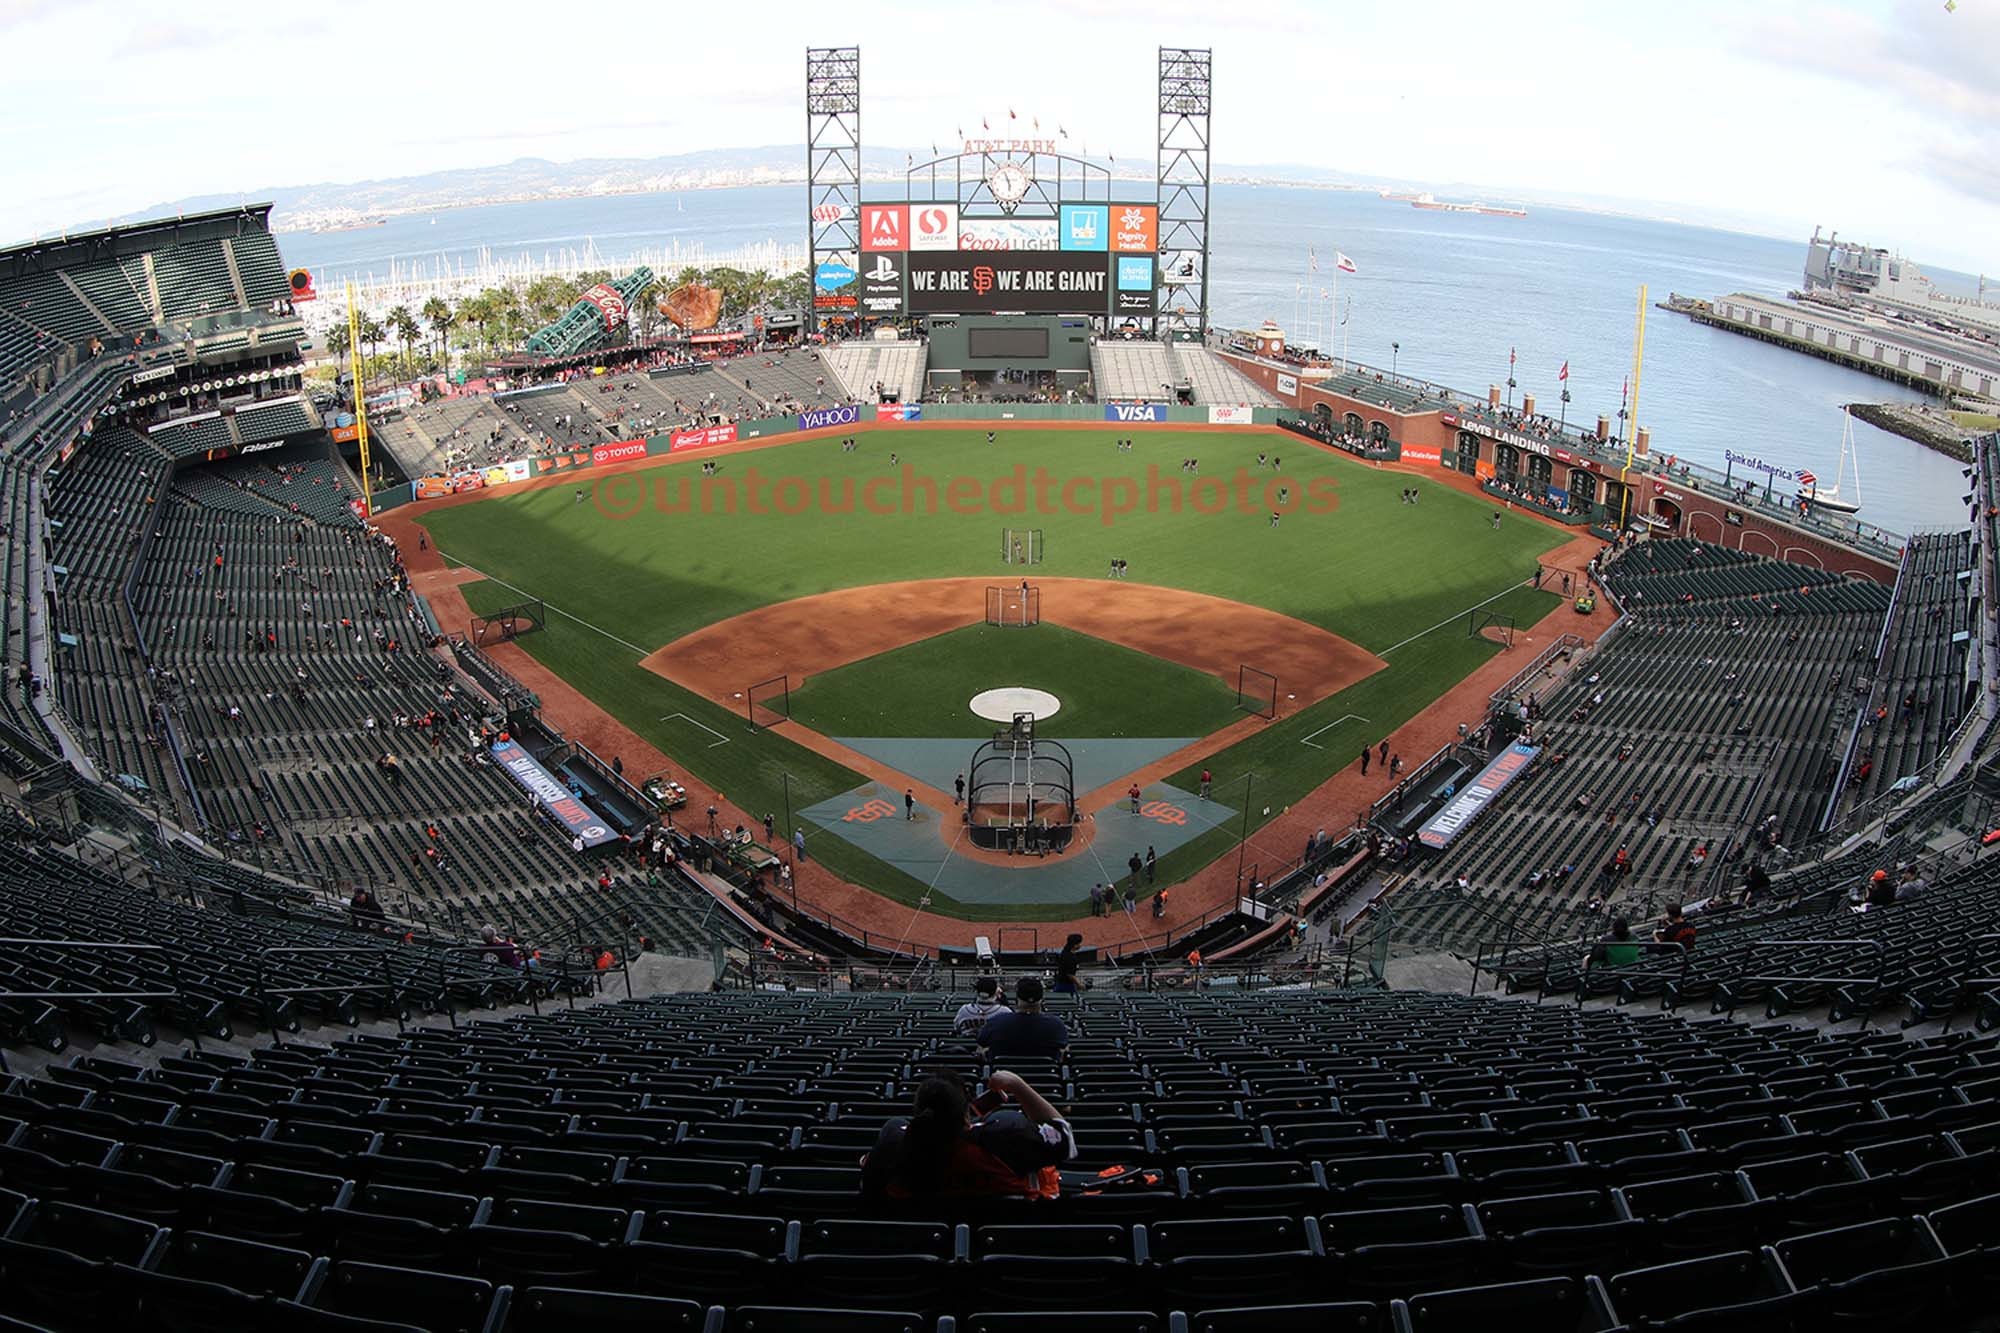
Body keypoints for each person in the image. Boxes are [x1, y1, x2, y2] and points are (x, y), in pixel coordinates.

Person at [859, 1069, 1075, 1201]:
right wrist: (1018, 1085)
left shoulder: (895, 1139)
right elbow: (1065, 1138)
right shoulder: (1005, 1136)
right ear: (964, 1116)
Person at [979, 976, 1069, 1060]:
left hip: (1003, 1074)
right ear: (1042, 1000)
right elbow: (1063, 1050)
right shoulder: (1056, 1024)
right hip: (1046, 1075)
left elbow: (981, 1043)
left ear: (1017, 998)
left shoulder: (996, 1022)